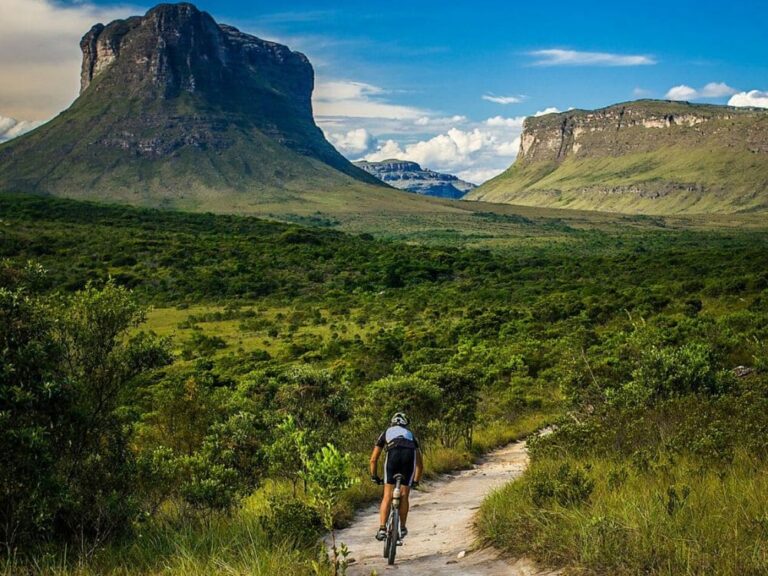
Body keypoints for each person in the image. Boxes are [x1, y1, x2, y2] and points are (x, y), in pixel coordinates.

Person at [369, 412, 423, 541]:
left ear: (392, 422)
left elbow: (373, 459)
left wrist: (374, 476)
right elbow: (420, 464)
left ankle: (382, 529)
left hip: (393, 456)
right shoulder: (411, 436)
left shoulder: (386, 432)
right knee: (404, 495)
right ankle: (402, 527)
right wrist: (415, 481)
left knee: (387, 495)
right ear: (406, 424)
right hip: (408, 458)